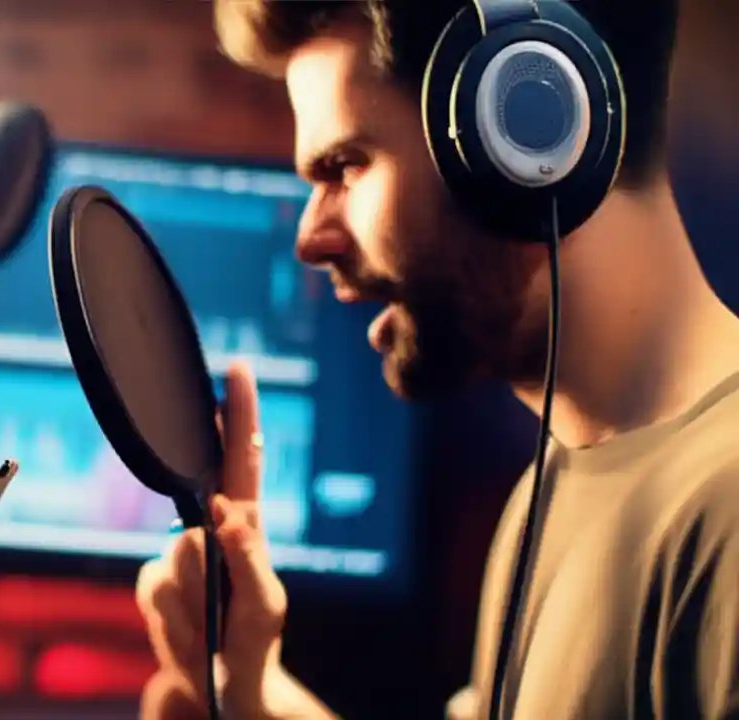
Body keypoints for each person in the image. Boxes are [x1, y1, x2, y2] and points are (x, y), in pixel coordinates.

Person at [134, 1, 739, 718]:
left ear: (524, 133)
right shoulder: (549, 492)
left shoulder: (726, 516)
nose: (310, 237)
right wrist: (251, 687)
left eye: (345, 166)